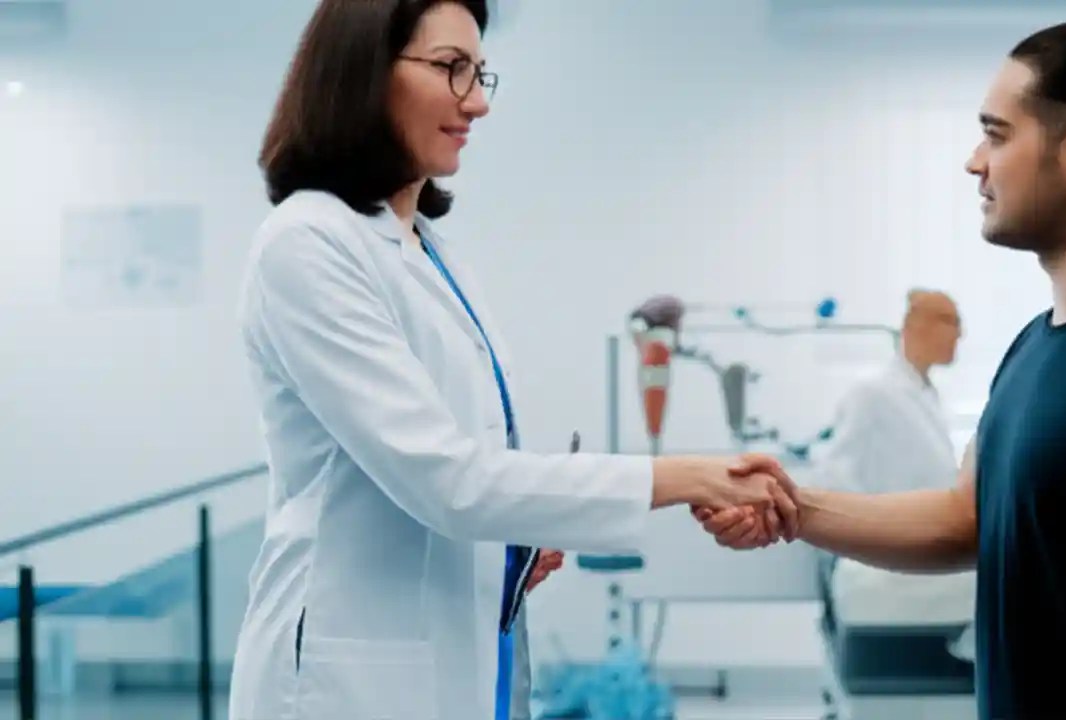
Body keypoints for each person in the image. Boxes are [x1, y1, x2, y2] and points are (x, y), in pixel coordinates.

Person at [226, 2, 798, 719]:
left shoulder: (431, 250)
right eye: (451, 69)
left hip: (453, 653)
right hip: (347, 678)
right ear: (363, 72)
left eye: (479, 71)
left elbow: (459, 476)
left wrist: (511, 546)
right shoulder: (306, 244)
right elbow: (448, 480)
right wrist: (685, 475)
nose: (478, 101)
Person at [699, 19, 1066, 720]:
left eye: (997, 134)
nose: (974, 161)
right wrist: (795, 507)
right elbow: (965, 520)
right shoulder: (1039, 344)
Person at [819, 288, 962, 495]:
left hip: (924, 523)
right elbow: (833, 478)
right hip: (890, 524)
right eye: (949, 321)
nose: (959, 334)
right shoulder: (872, 394)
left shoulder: (927, 393)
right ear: (914, 326)